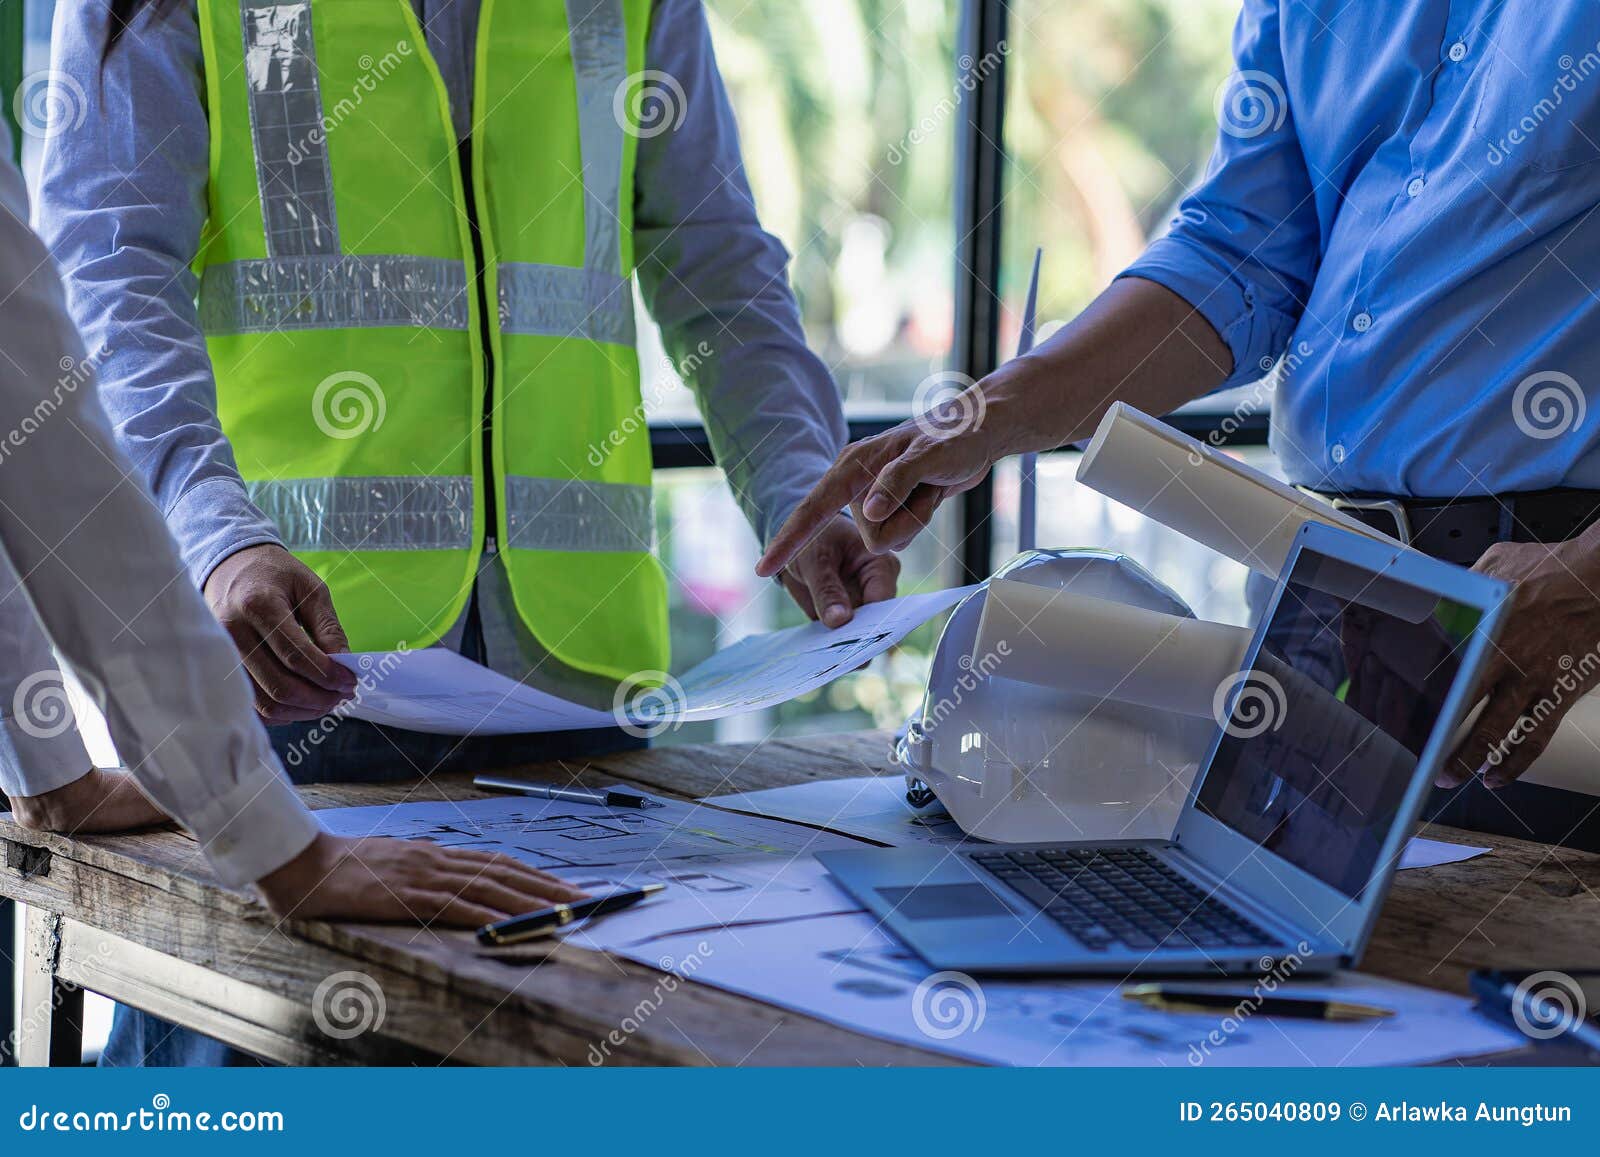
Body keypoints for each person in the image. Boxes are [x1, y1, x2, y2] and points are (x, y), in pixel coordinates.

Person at [759, 0, 1600, 853]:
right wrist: (993, 412)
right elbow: (1243, 254)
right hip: (1317, 609)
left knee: (1532, 960)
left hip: (1557, 630)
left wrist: (1588, 577)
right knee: (1255, 959)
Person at [37, 0, 895, 786]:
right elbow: (106, 282)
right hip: (295, 664)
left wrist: (802, 495)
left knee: (593, 961)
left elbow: (718, 264)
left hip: (584, 680)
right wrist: (213, 536)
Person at [0, 113, 588, 1056]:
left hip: (545, 694)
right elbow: (47, 454)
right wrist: (272, 838)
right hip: (292, 692)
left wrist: (48, 773)